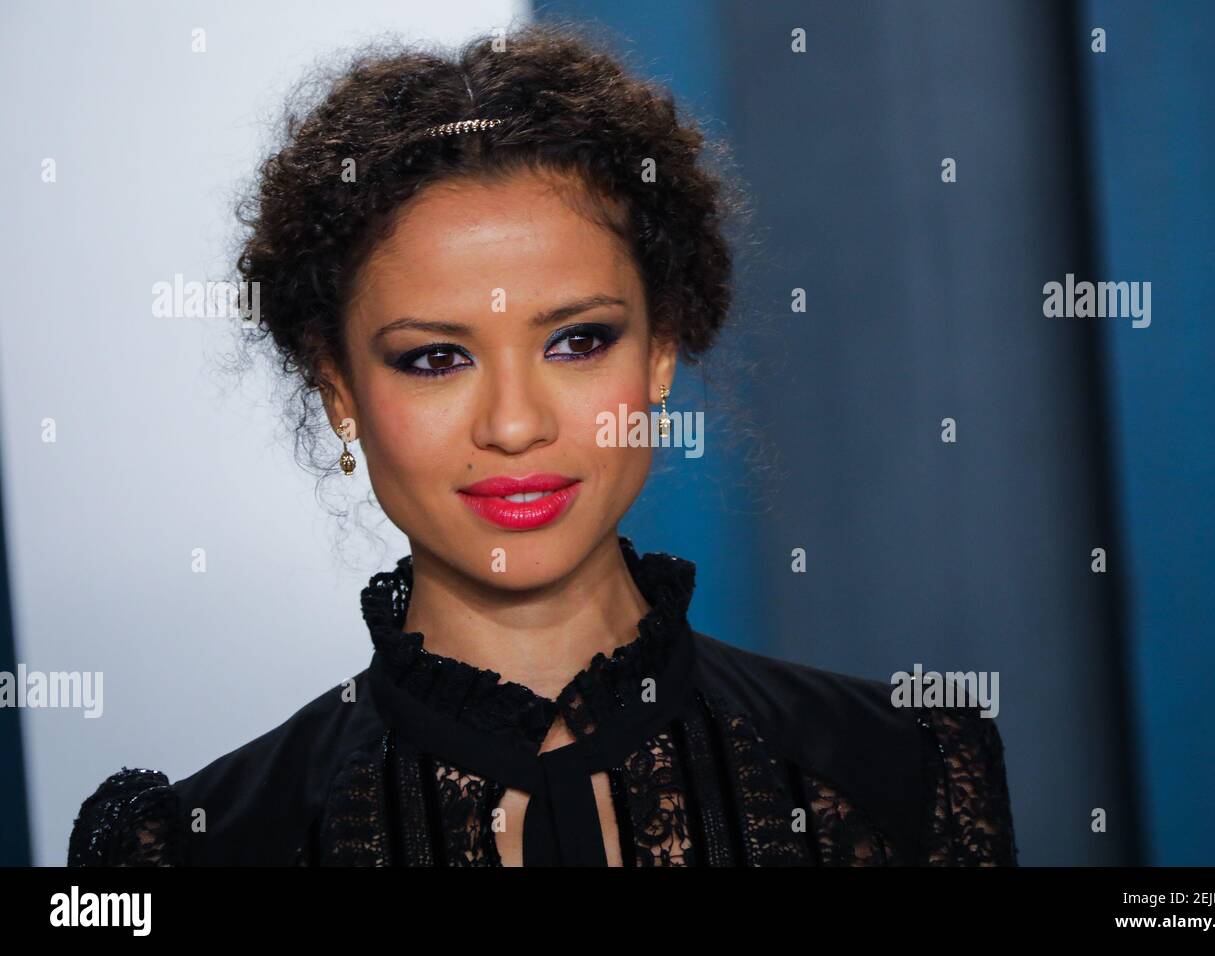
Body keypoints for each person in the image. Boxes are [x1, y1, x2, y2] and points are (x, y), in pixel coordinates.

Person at [68, 22, 1017, 867]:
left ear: (660, 356)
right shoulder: (194, 846)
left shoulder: (906, 772)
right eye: (435, 357)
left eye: (577, 341)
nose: (515, 425)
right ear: (340, 392)